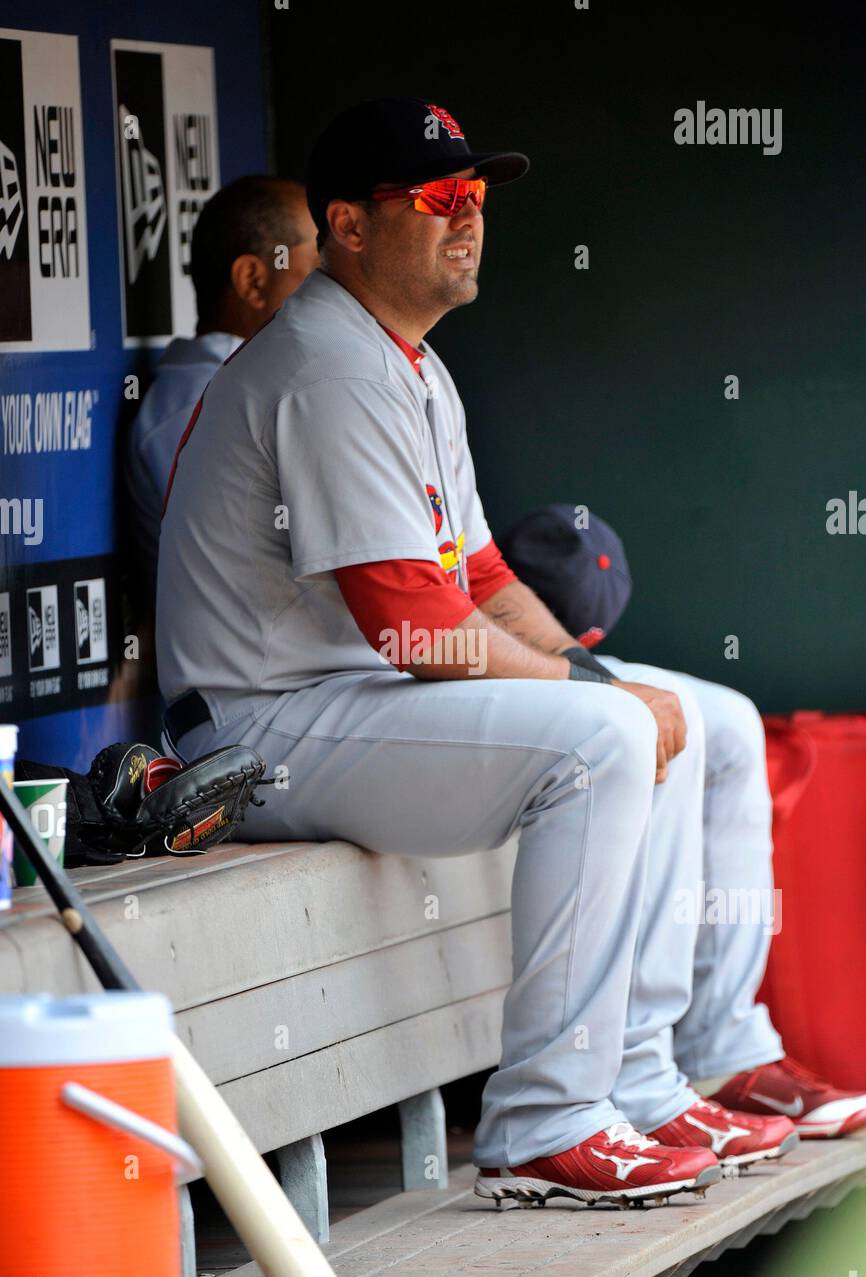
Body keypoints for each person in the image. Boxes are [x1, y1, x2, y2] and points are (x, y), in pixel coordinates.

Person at [156, 98, 802, 1210]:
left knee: (705, 716)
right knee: (605, 738)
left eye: (477, 197)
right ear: (348, 225)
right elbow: (404, 613)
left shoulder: (406, 361)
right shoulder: (326, 362)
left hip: (348, 702)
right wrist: (593, 702)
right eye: (437, 198)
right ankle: (549, 1117)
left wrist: (604, 678)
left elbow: (483, 579)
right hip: (254, 733)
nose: (468, 219)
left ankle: (660, 1071)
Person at [501, 505, 866, 1142]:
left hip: (509, 647)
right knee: (653, 722)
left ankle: (722, 1048)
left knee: (725, 719)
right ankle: (639, 1069)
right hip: (423, 666)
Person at [127, 176, 318, 601]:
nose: (335, 289)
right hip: (258, 664)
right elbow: (268, 582)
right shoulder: (196, 408)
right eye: (318, 266)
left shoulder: (268, 386)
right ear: (252, 280)